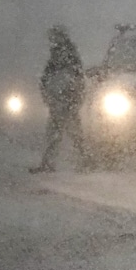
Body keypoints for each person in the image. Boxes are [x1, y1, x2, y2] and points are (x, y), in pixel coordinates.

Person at [30, 25, 85, 173]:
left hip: (64, 100)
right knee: (72, 133)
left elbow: (68, 77)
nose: (51, 40)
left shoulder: (63, 54)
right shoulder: (65, 53)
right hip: (66, 100)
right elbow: (76, 77)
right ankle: (85, 162)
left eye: (53, 37)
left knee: (58, 133)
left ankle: (50, 164)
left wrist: (53, 95)